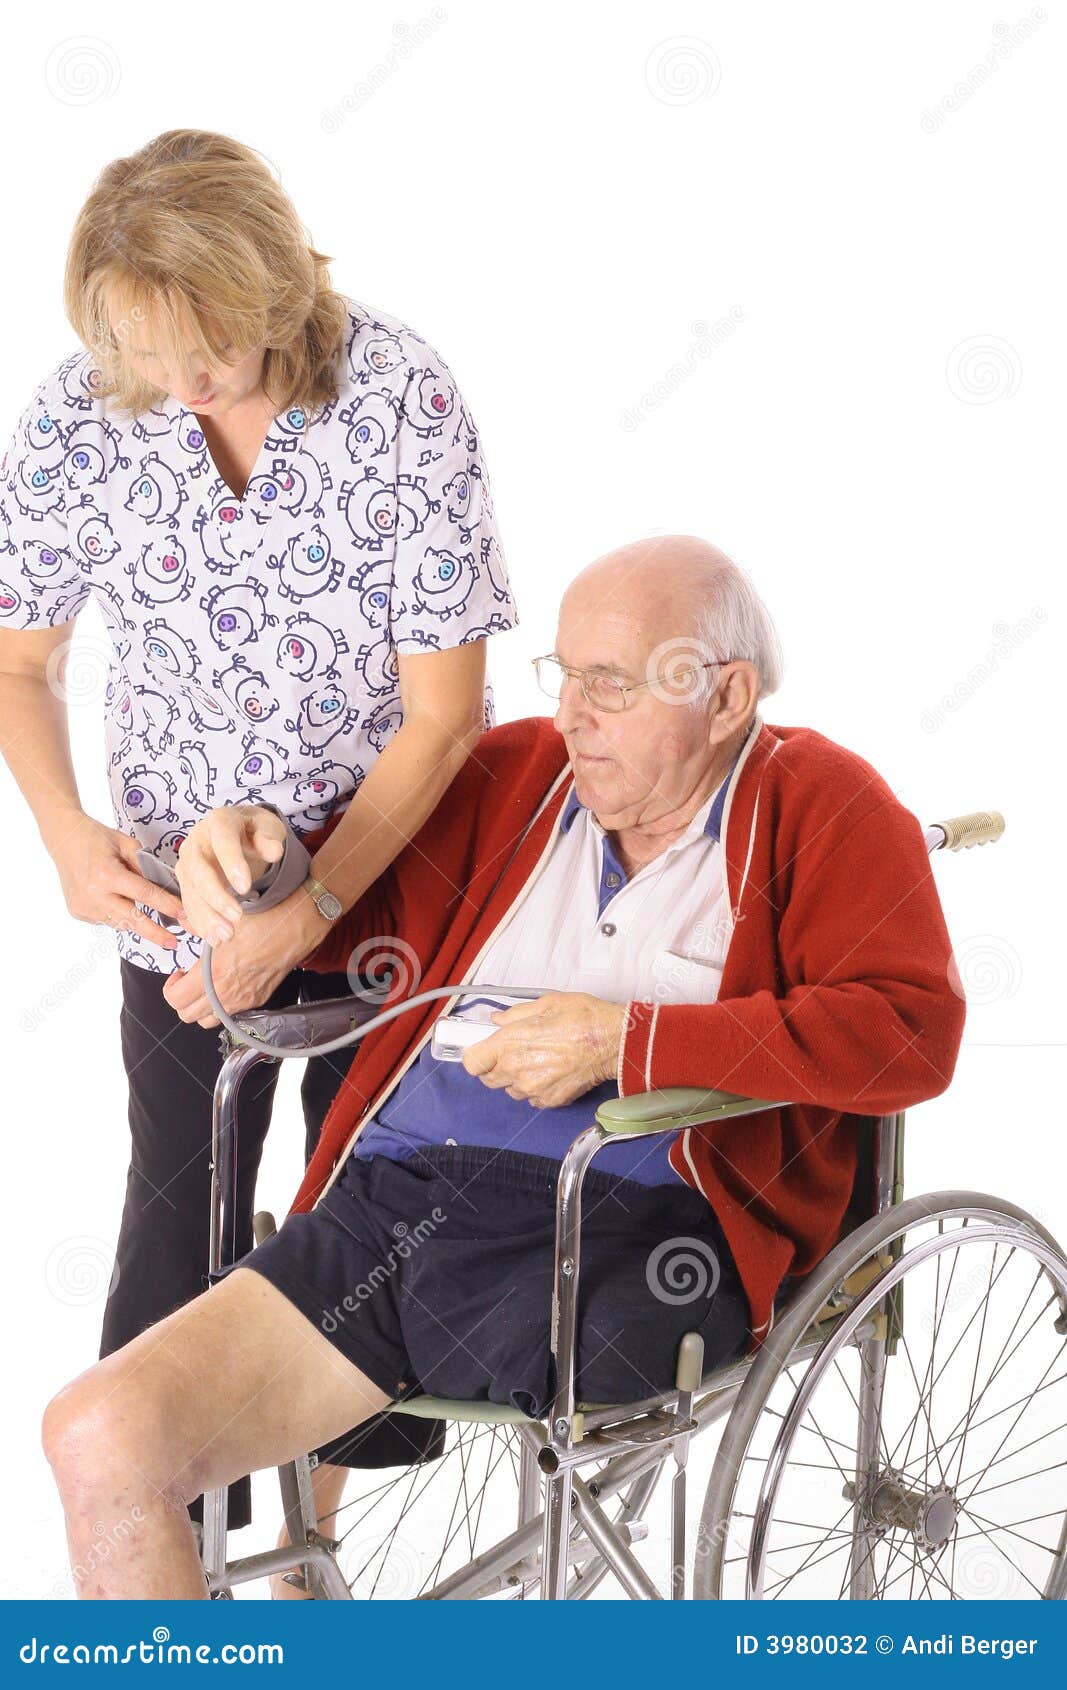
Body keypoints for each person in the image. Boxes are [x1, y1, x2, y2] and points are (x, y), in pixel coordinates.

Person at [40, 534, 967, 1598]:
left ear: (724, 698)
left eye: (609, 685)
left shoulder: (822, 801)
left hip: (628, 1220)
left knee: (479, 1362)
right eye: (563, 675)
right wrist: (265, 859)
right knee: (97, 1434)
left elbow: (907, 1028)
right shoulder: (516, 771)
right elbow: (356, 914)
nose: (570, 712)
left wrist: (625, 1039)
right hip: (393, 1203)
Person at [0, 129, 516, 1553]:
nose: (180, 381)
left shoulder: (398, 394)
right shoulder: (86, 411)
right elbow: (18, 662)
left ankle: (307, 1557)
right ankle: (168, 1574)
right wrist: (61, 833)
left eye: (203, 340)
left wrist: (321, 898)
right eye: (143, 350)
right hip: (174, 911)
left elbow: (443, 715)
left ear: (269, 280)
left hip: (384, 885)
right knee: (177, 1218)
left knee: (349, 1223)